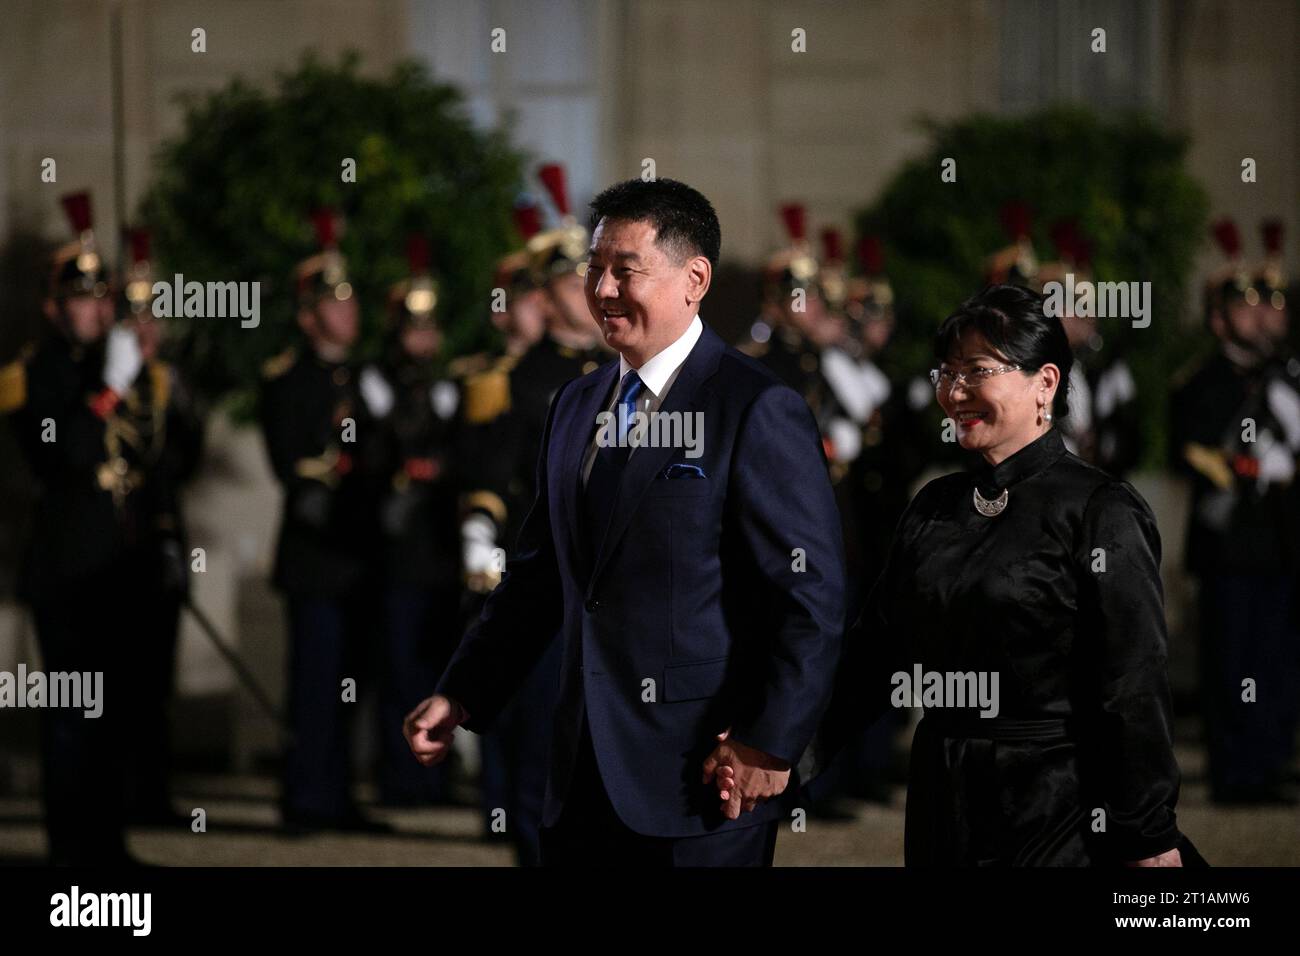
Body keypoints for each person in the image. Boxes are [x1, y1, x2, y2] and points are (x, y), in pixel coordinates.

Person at [404, 177, 845, 866]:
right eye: (595, 269)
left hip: (707, 779)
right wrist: (463, 691)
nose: (603, 289)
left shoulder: (755, 406)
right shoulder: (574, 405)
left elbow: (809, 595)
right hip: (581, 776)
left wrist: (771, 739)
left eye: (626, 270)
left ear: (694, 278)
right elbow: (541, 575)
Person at [796, 284, 1196, 865]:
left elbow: (1132, 685)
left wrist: (1149, 830)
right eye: (947, 372)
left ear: (1046, 383)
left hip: (1060, 805)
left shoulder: (1099, 510)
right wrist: (786, 755)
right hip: (943, 798)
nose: (955, 392)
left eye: (977, 370)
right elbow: (872, 655)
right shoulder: (935, 506)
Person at [1, 193, 139, 863]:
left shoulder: (108, 362)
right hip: (65, 571)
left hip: (116, 568)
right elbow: (67, 454)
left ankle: (107, 845)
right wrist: (111, 387)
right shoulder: (36, 372)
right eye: (83, 299)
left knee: (113, 720)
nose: (97, 309)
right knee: (72, 716)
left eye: (103, 297)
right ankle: (69, 850)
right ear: (56, 306)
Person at [259, 209, 386, 833]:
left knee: (350, 687)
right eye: (335, 302)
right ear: (309, 315)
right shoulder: (288, 382)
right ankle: (305, 796)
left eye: (351, 298)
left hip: (360, 553)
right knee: (315, 682)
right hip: (316, 553)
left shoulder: (366, 377)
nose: (349, 310)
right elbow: (292, 464)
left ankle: (337, 794)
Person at [1169, 218, 1299, 805]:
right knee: (1232, 660)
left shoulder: (1286, 378)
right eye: (1248, 309)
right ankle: (1236, 772)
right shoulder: (1207, 380)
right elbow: (1190, 450)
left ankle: (1270, 760)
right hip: (1230, 542)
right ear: (1222, 318)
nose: (1264, 318)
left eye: (1271, 307)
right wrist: (1248, 471)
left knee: (1278, 654)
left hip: (1282, 538)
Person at [355, 235, 464, 807]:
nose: (425, 338)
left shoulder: (449, 384)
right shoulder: (376, 381)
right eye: (415, 328)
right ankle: (399, 779)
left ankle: (434, 778)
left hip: (438, 543)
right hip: (396, 544)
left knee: (437, 667)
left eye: (430, 327)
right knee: (398, 665)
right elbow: (383, 451)